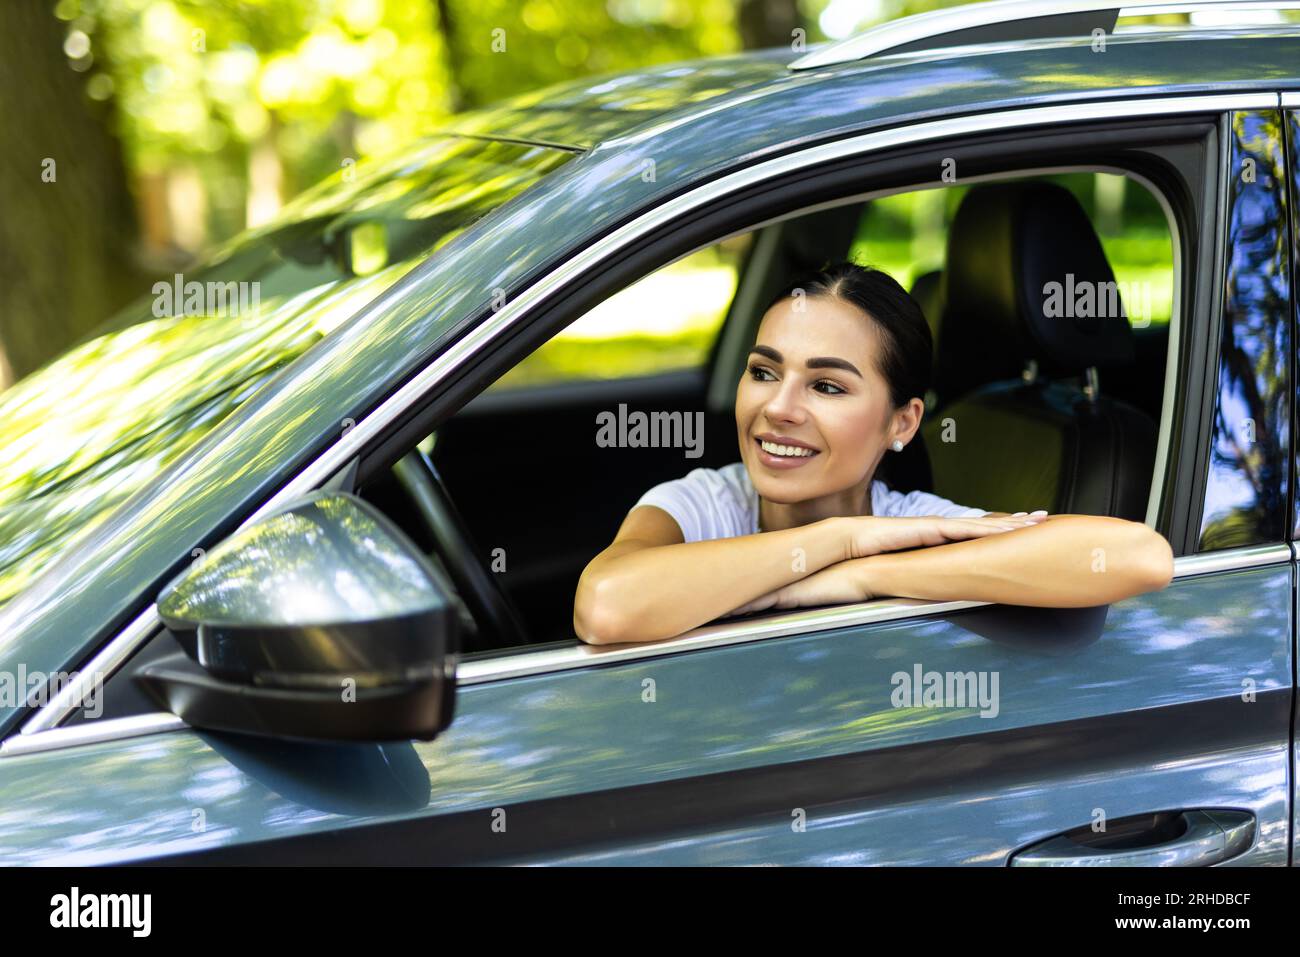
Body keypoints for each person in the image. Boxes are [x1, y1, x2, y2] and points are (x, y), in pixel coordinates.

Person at [573, 260, 1174, 645]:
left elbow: (1136, 557)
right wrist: (841, 540)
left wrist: (865, 575)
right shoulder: (703, 502)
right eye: (763, 371)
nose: (778, 408)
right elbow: (605, 606)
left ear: (902, 422)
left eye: (827, 385)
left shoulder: (912, 525)